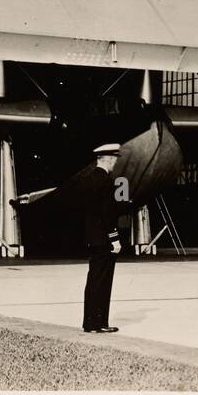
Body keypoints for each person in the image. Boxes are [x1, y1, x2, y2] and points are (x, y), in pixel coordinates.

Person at [81, 142, 122, 333]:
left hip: (92, 238)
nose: (115, 162)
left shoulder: (88, 179)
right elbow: (107, 213)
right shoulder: (106, 181)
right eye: (114, 159)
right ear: (108, 159)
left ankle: (89, 322)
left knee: (93, 280)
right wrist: (114, 238)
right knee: (103, 281)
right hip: (105, 239)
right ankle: (100, 323)